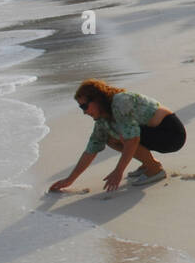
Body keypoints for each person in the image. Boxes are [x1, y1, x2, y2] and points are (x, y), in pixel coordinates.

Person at [49, 79, 187, 192]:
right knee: (109, 137)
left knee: (122, 135)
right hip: (154, 133)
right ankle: (149, 163)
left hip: (172, 134)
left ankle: (155, 169)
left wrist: (118, 171)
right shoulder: (104, 118)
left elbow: (133, 140)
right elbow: (91, 149)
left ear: (96, 99)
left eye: (84, 106)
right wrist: (69, 180)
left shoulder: (120, 102)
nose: (84, 112)